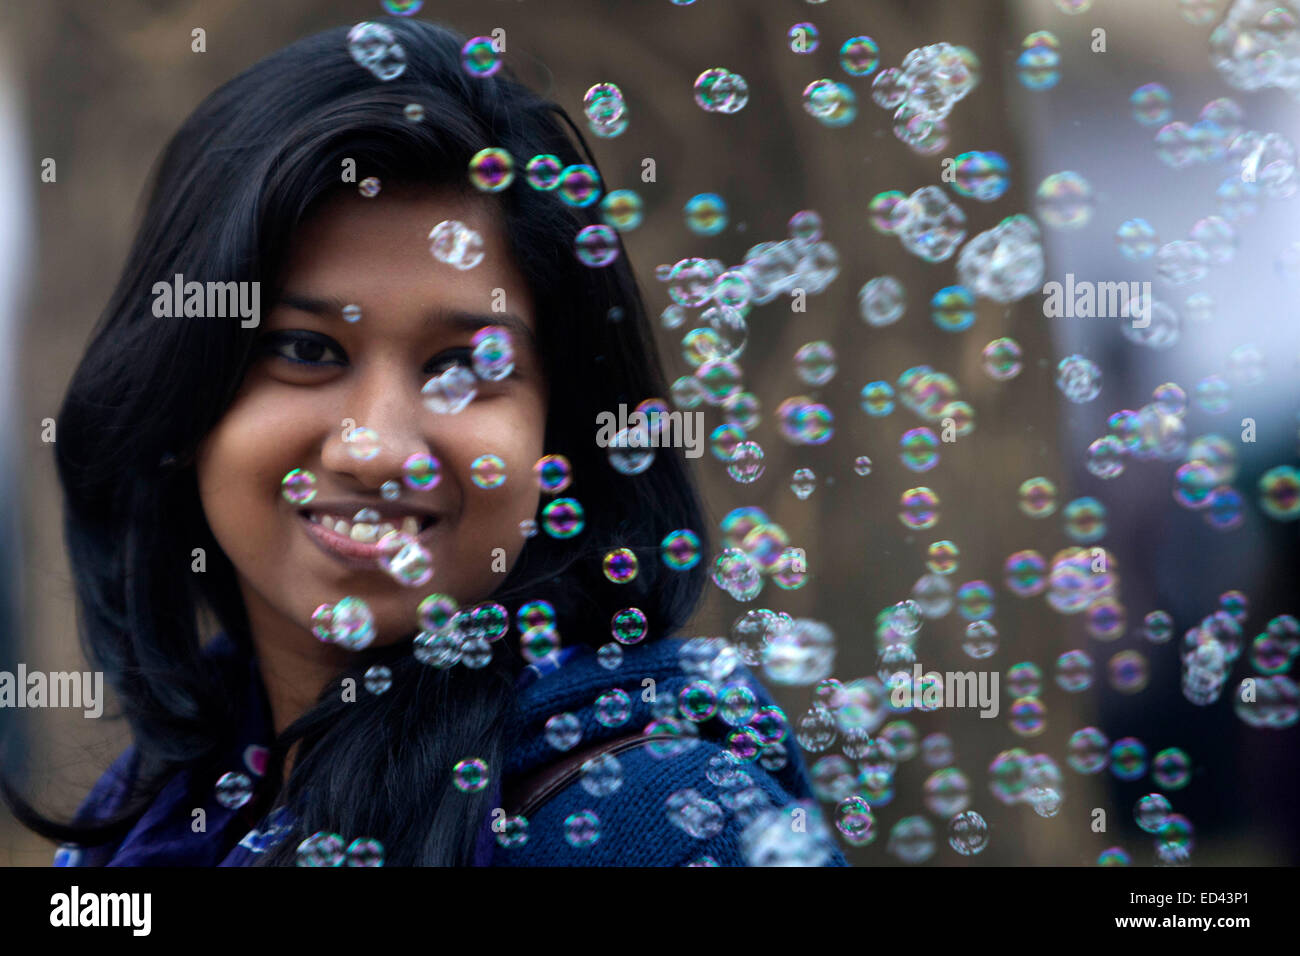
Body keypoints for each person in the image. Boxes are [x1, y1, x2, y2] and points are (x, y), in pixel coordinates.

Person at [2, 17, 848, 867]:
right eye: (305, 350)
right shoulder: (176, 805)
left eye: (466, 363)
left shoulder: (656, 817)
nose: (373, 450)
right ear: (177, 391)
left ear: (561, 433)